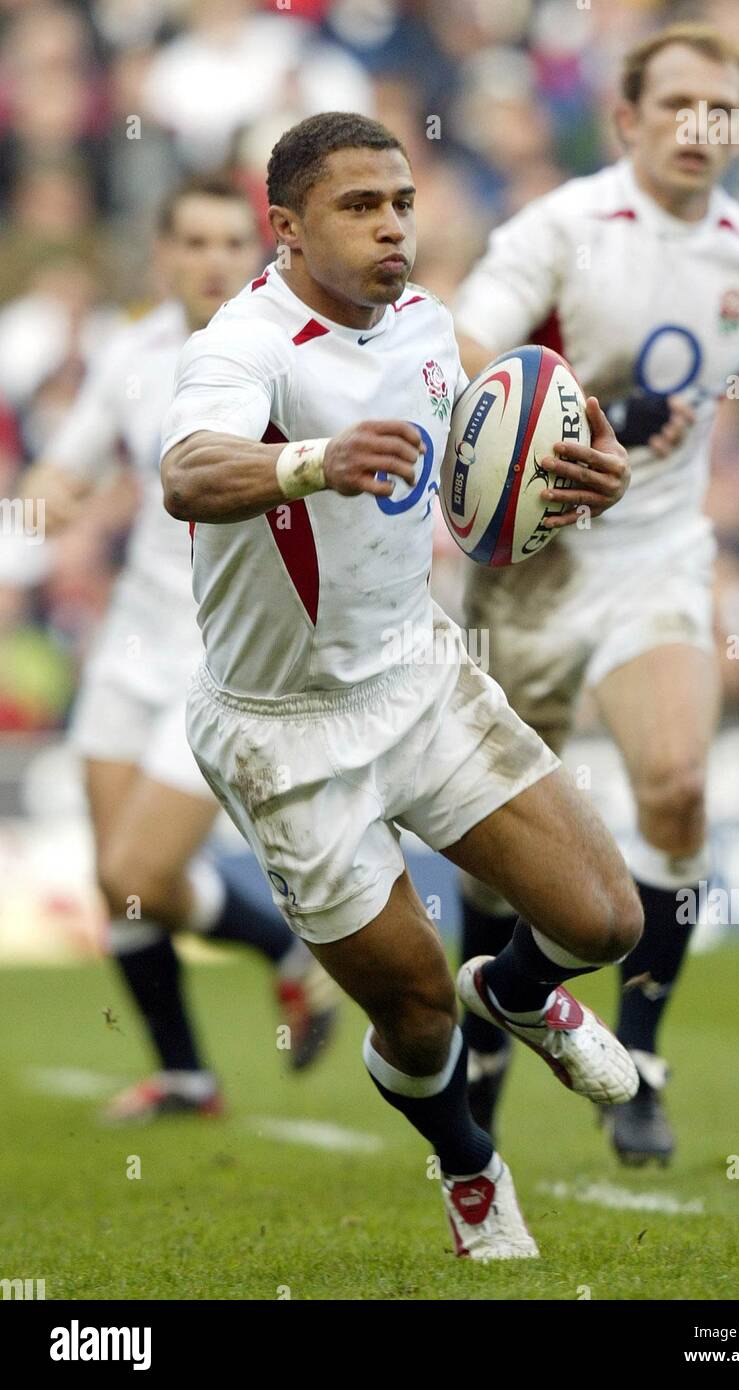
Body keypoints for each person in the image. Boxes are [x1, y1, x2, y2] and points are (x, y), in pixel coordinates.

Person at [160, 111, 643, 1260]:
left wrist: (588, 466)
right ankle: (469, 1165)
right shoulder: (244, 345)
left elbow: (505, 438)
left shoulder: (427, 325)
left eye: (401, 204)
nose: (391, 228)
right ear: (282, 227)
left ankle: (519, 992)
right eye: (357, 207)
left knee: (602, 918)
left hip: (419, 677)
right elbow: (187, 472)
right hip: (281, 732)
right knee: (417, 1013)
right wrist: (312, 459)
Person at [451, 22, 739, 1163]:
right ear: (625, 119)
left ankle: (641, 1062)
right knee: (495, 837)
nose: (696, 127)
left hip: (655, 560)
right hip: (528, 569)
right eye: (672, 104)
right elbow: (462, 353)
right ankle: (489, 1035)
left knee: (673, 784)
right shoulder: (561, 230)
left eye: (718, 109)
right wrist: (574, 408)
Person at [19, 177, 339, 1123]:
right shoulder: (132, 350)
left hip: (223, 655)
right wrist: (46, 495)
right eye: (190, 241)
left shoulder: (278, 349)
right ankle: (188, 1078)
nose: (208, 260)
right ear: (162, 254)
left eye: (224, 241)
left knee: (138, 877)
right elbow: (68, 466)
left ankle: (283, 947)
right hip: (129, 647)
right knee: (113, 882)